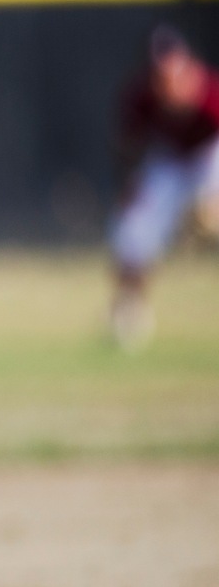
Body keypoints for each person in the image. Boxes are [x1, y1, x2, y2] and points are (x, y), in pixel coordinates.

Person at [109, 25, 219, 349]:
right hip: (169, 160)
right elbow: (127, 146)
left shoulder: (211, 96)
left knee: (210, 212)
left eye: (175, 72)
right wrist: (128, 185)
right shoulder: (141, 97)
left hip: (209, 154)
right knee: (132, 229)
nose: (169, 82)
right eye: (161, 75)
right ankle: (130, 309)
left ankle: (199, 224)